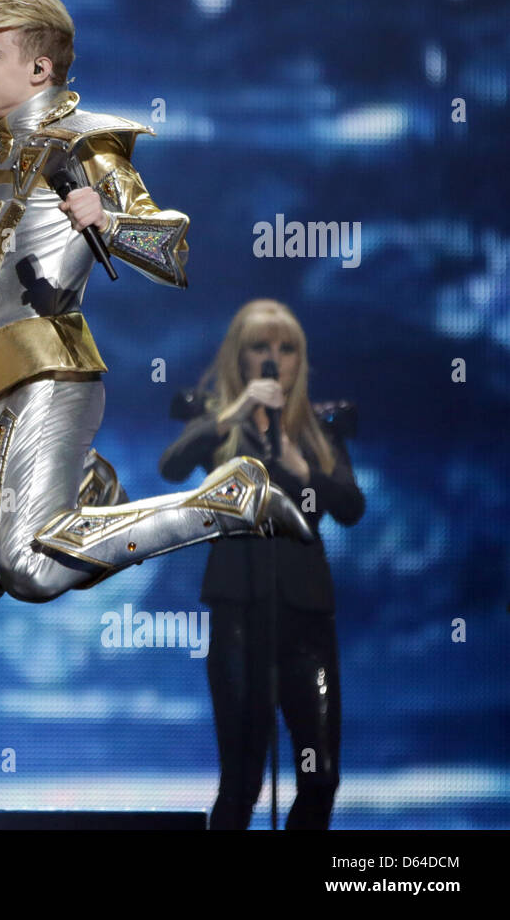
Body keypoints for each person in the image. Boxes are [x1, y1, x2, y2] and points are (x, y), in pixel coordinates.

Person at [0, 0, 312, 623]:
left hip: (50, 374)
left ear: (40, 68)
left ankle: (226, 502)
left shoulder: (87, 145)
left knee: (32, 570)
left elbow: (174, 256)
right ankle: (83, 479)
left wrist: (108, 223)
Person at [159, 298, 365, 828]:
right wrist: (233, 410)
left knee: (320, 778)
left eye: (286, 348)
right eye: (260, 347)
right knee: (243, 782)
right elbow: (172, 465)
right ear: (239, 357)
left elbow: (350, 508)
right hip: (239, 617)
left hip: (306, 622)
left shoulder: (320, 431)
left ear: (300, 359)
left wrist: (302, 467)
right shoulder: (218, 425)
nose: (275, 359)